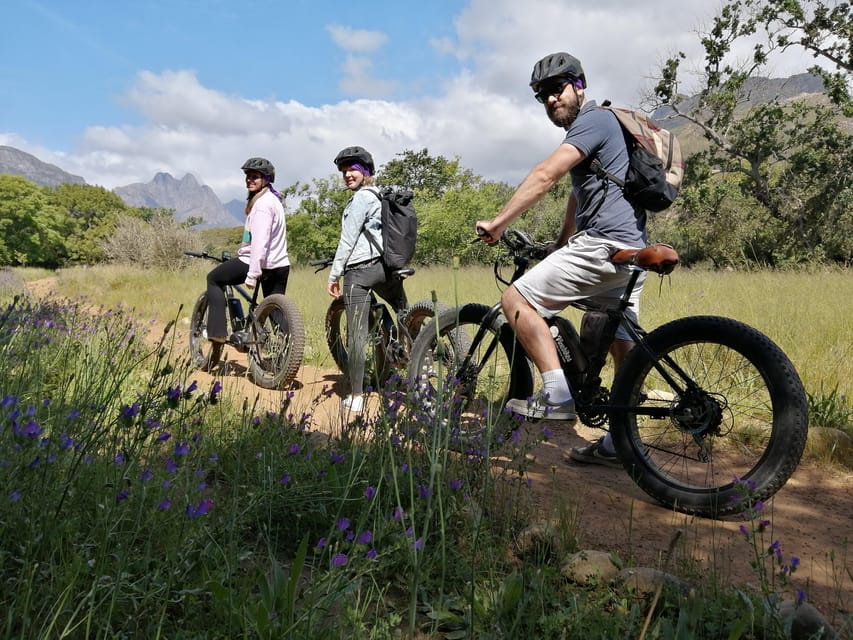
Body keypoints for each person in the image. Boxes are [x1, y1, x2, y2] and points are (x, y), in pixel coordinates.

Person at [475, 52, 647, 468]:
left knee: (516, 300)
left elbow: (545, 175)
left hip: (602, 247)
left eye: (557, 89)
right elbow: (578, 193)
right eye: (542, 96)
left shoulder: (595, 120)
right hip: (629, 250)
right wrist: (559, 244)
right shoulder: (609, 132)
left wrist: (498, 223)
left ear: (579, 86)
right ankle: (621, 440)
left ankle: (555, 396)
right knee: (624, 347)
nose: (551, 99)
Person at [327, 146, 408, 414]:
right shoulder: (383, 196)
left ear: (365, 173)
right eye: (344, 171)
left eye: (353, 169)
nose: (348, 174)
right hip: (387, 266)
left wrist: (334, 273)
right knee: (404, 315)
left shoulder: (361, 198)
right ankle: (415, 352)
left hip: (361, 269)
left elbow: (348, 239)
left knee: (358, 334)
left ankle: (357, 395)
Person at [205, 157, 290, 351]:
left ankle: (217, 332)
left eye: (255, 177)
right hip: (280, 265)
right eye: (248, 176)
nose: (250, 180)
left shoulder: (261, 206)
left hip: (256, 262)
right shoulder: (274, 200)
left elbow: (259, 242)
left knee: (214, 279)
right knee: (275, 310)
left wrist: (252, 273)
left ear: (266, 180)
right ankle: (288, 351)